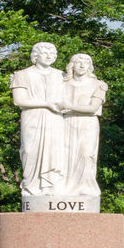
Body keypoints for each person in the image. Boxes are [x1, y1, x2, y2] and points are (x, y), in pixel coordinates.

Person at [10, 42, 67, 196]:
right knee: (30, 151)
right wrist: (46, 104)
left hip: (55, 119)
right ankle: (31, 186)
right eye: (44, 53)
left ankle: (50, 186)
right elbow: (19, 101)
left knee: (54, 151)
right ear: (35, 56)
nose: (49, 56)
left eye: (52, 53)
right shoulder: (22, 75)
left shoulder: (62, 76)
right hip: (33, 118)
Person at [61, 53, 108, 197]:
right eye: (78, 62)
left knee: (86, 155)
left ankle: (86, 188)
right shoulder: (63, 83)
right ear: (71, 65)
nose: (82, 65)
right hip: (67, 123)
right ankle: (66, 188)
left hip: (88, 123)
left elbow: (93, 108)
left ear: (90, 66)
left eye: (86, 63)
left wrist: (66, 105)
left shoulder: (98, 85)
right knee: (66, 157)